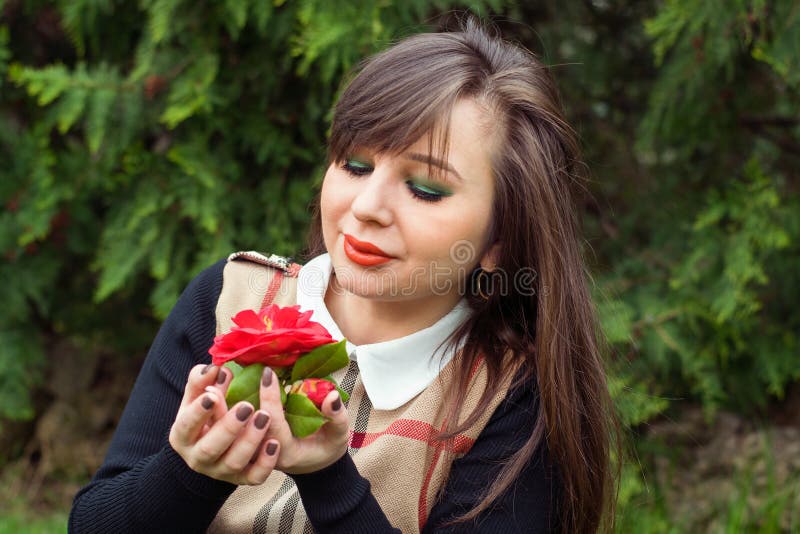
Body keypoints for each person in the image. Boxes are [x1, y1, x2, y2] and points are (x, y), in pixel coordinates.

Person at [70, 18, 617, 534]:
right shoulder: (228, 298)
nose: (368, 206)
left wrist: (329, 479)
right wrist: (191, 471)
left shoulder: (511, 396)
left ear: (500, 239)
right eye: (355, 165)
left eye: (425, 188)